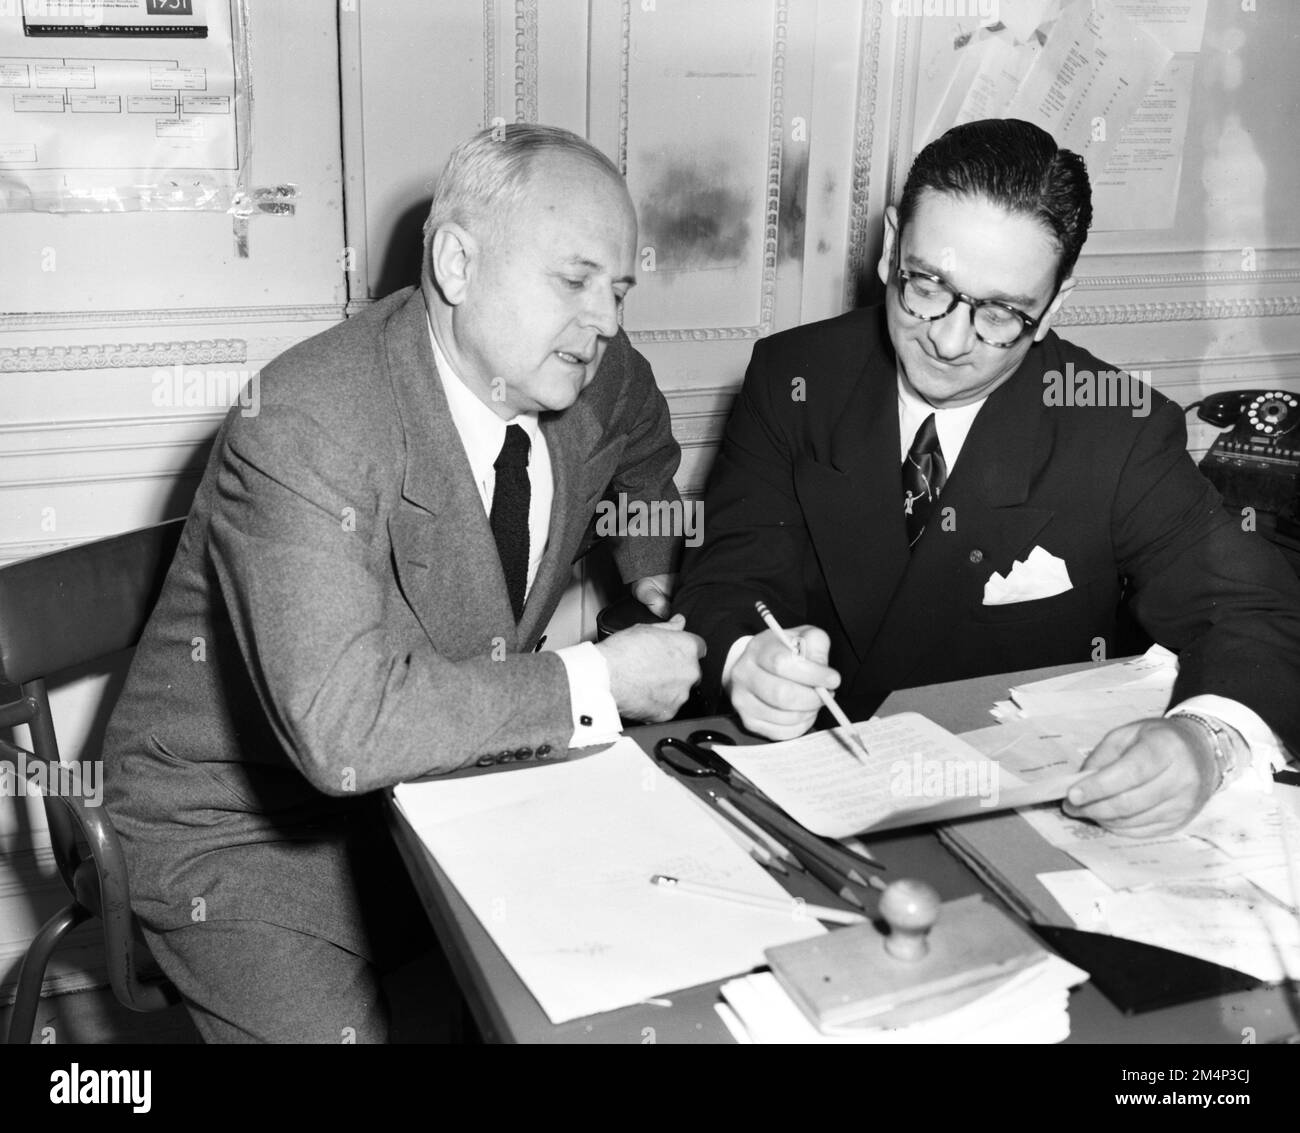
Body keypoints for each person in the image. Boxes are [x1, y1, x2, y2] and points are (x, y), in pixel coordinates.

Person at [104, 123, 704, 1042]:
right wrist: (600, 679)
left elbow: (646, 448)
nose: (608, 321)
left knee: (639, 976)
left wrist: (650, 583)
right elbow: (343, 725)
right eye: (575, 280)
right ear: (457, 265)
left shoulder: (592, 369)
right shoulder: (308, 421)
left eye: (618, 290)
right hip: (245, 826)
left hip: (443, 785)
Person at [674, 118, 1300, 840]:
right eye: (927, 285)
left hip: (1007, 823)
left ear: (1055, 306)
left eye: (1001, 312)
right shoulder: (794, 377)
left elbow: (1256, 613)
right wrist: (745, 660)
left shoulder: (1116, 429)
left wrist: (1206, 740)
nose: (946, 339)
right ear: (888, 248)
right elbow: (726, 579)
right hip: (800, 798)